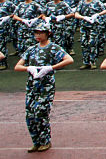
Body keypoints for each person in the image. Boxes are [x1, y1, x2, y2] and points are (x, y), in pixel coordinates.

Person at [16, 19, 73, 152]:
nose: (37, 35)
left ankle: (45, 140)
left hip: (45, 86)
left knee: (40, 113)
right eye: (36, 32)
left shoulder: (53, 48)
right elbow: (18, 66)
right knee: (30, 115)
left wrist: (51, 68)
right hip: (32, 86)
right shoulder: (32, 49)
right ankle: (36, 141)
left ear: (48, 33)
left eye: (40, 32)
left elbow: (69, 59)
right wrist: (28, 68)